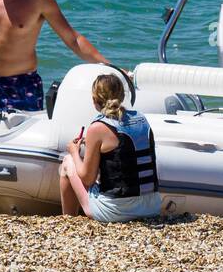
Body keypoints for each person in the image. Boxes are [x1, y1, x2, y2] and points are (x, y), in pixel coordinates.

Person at [59, 73, 163, 222]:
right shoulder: (142, 119)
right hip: (151, 206)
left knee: (68, 162)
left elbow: (88, 179)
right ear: (121, 96)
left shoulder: (97, 128)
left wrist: (74, 151)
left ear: (94, 100)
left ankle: (67, 221)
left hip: (116, 211)